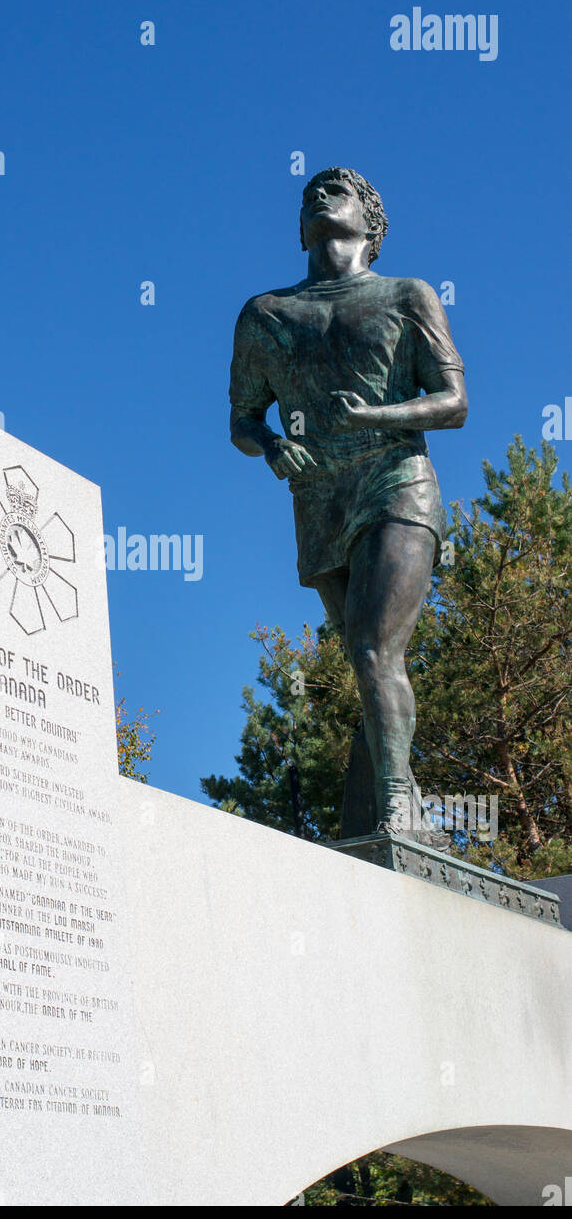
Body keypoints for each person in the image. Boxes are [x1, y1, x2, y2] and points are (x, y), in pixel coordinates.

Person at [228, 167, 468, 842]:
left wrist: (379, 417)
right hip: (318, 502)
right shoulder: (265, 313)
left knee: (370, 648)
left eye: (339, 189)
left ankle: (393, 805)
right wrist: (272, 447)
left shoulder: (405, 295)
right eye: (311, 191)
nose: (319, 192)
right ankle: (406, 815)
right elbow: (241, 420)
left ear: (370, 220)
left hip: (396, 481)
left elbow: (453, 402)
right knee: (363, 664)